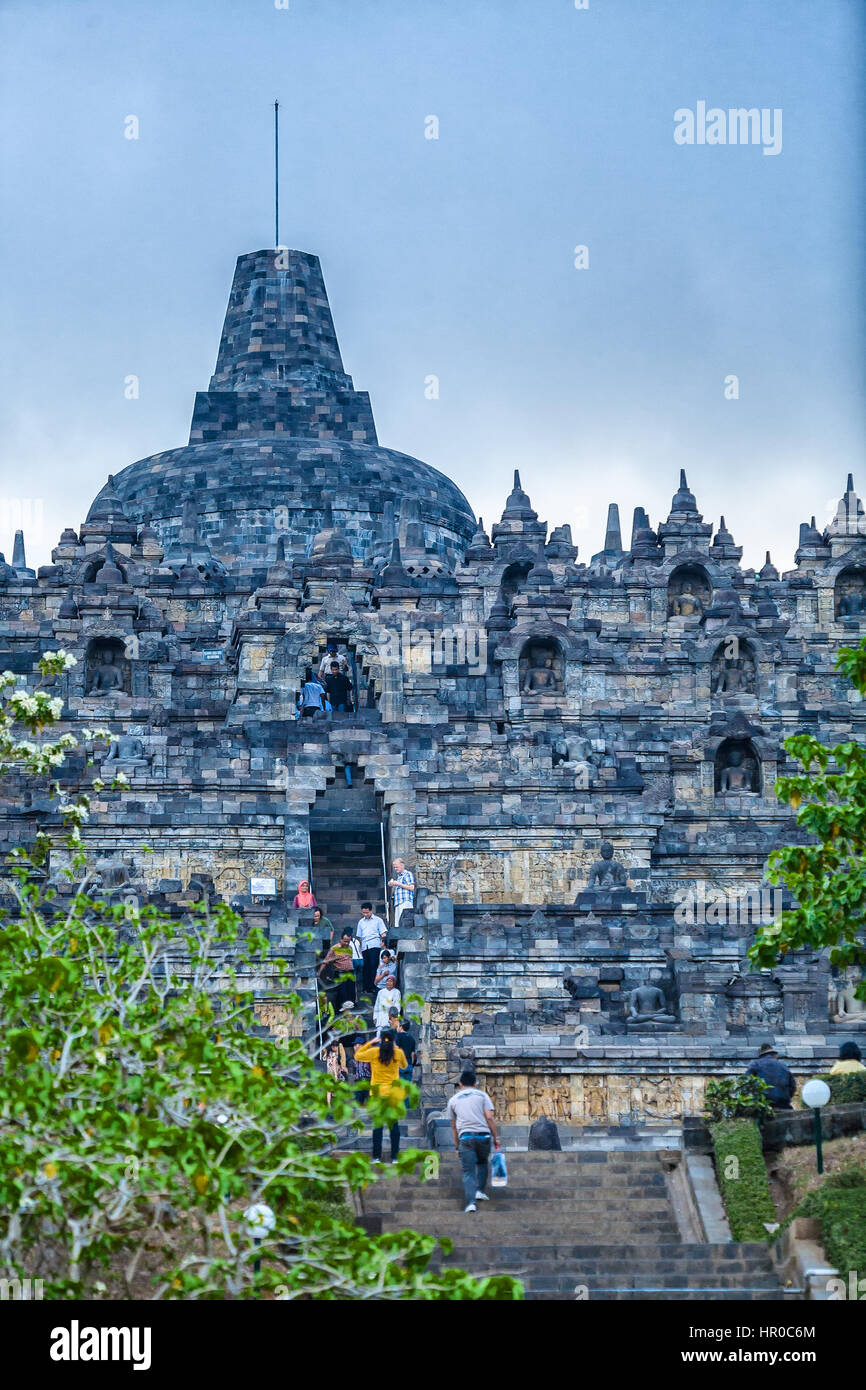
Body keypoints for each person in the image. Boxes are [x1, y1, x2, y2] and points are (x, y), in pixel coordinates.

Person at [446, 1070, 501, 1214]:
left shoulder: (453, 1100)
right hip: (483, 1136)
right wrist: (496, 1137)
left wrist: (457, 1144)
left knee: (468, 1172)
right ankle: (480, 1191)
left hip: (465, 1137)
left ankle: (471, 1203)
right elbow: (489, 1118)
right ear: (475, 1084)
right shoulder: (482, 1095)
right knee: (482, 1162)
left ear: (460, 1084)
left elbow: (453, 1125)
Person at [353, 1028, 407, 1163]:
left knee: (377, 1127)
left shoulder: (374, 1052)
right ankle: (395, 1157)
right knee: (394, 1127)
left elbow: (357, 1055)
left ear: (380, 1040)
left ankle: (376, 1157)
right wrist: (397, 1048)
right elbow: (405, 1065)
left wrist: (371, 1042)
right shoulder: (398, 1053)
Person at [746, 1043, 796, 1110]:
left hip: (764, 1108)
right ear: (774, 1055)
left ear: (761, 1055)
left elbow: (745, 1083)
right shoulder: (784, 1066)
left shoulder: (756, 1064)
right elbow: (793, 1087)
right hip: (784, 1107)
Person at [316, 932, 357, 1011]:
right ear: (340, 940)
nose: (346, 943)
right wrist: (319, 972)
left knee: (351, 992)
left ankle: (351, 1009)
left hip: (350, 972)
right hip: (340, 973)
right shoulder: (334, 949)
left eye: (348, 941)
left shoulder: (350, 948)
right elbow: (326, 961)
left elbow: (350, 959)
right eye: (345, 941)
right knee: (342, 992)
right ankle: (340, 1009)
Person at [355, 902, 387, 995]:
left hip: (375, 945)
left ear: (371, 911)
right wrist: (360, 948)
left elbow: (383, 933)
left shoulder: (378, 920)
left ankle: (373, 986)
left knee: (374, 966)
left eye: (367, 912)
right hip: (365, 946)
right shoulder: (361, 922)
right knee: (366, 968)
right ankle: (366, 987)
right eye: (363, 913)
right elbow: (359, 936)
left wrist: (383, 943)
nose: (365, 914)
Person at [395, 1015, 418, 1109]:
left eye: (398, 1026)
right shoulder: (412, 1039)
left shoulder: (398, 1037)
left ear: (401, 1027)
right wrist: (411, 1065)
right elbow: (413, 1055)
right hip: (409, 1064)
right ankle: (407, 1108)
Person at [387, 858, 415, 933]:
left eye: (397, 867)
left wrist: (398, 884)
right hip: (398, 902)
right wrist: (393, 885)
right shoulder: (399, 877)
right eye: (394, 867)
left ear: (402, 865)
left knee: (405, 923)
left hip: (406, 901)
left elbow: (412, 887)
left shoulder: (407, 874)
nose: (395, 869)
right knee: (398, 924)